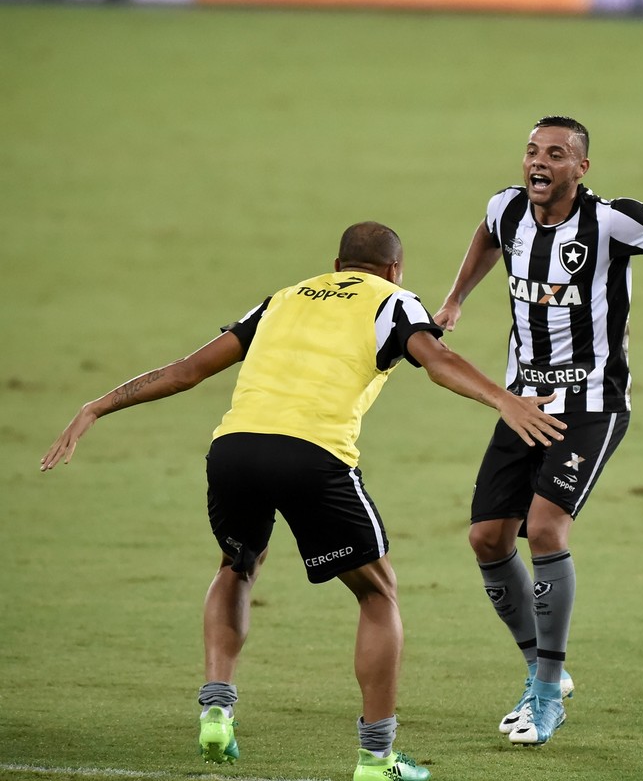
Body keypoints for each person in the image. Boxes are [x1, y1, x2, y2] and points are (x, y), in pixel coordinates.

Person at [40, 222, 567, 781]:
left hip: (233, 450)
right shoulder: (394, 300)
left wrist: (96, 406)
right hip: (311, 456)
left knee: (237, 565)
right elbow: (437, 361)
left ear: (337, 265)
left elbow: (186, 372)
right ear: (394, 269)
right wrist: (505, 401)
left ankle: (216, 710)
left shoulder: (282, 299)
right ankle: (377, 758)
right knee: (377, 593)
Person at [433, 115, 643, 746]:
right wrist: (456, 298)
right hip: (523, 401)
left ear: (581, 168)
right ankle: (542, 669)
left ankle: (545, 694)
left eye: (556, 154)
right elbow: (487, 233)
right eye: (532, 151)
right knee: (487, 538)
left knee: (544, 529)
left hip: (593, 403)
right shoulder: (507, 209)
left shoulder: (612, 221)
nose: (539, 162)